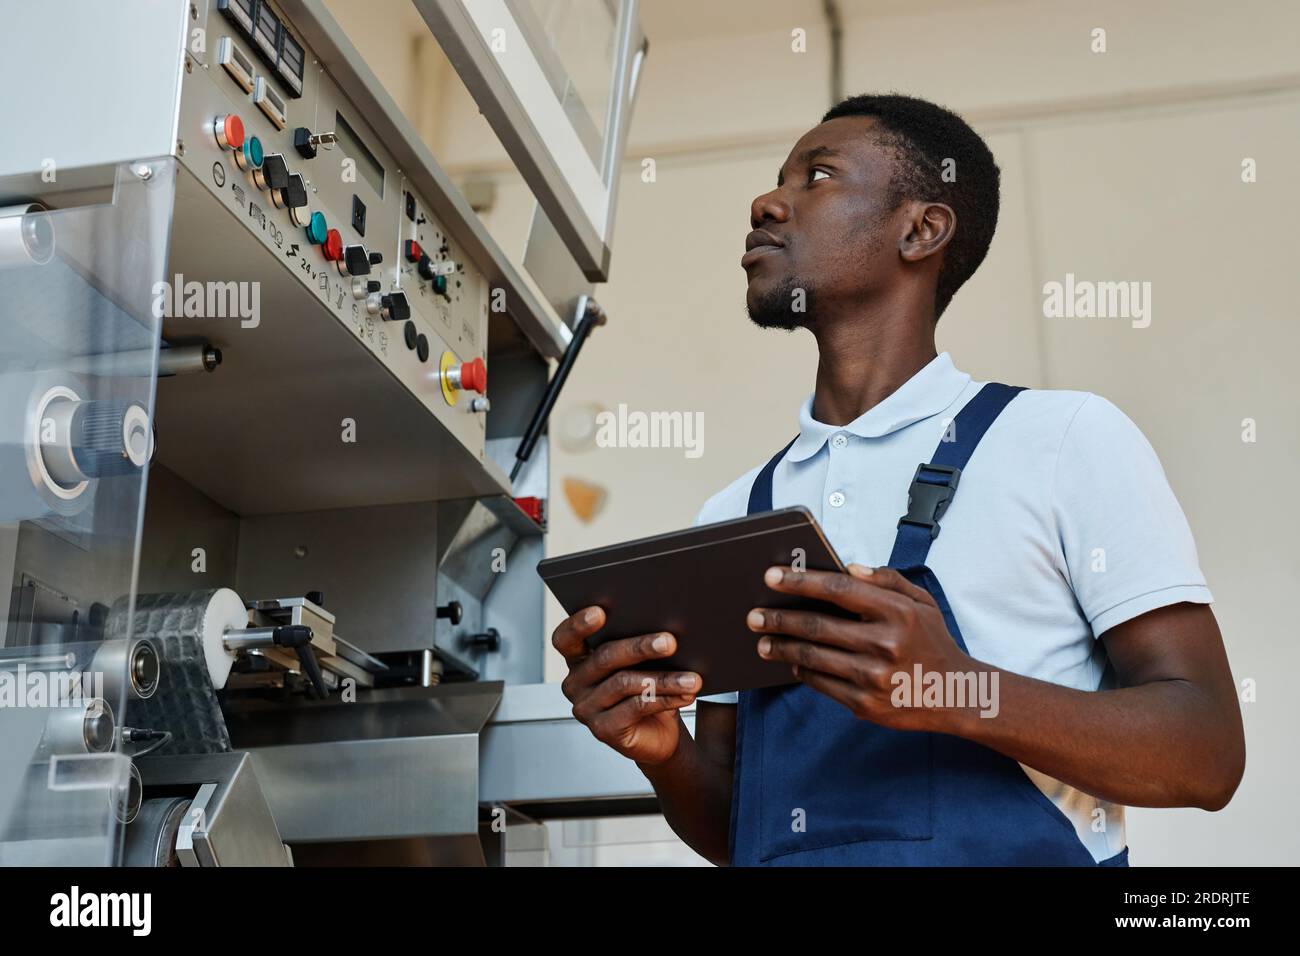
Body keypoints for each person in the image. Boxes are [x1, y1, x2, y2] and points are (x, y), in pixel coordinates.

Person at [551, 93, 1244, 866]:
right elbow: (738, 831)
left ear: (922, 229)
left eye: (817, 176)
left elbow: (1207, 751)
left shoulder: (1064, 440)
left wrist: (953, 689)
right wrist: (661, 751)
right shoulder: (736, 513)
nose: (767, 202)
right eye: (778, 178)